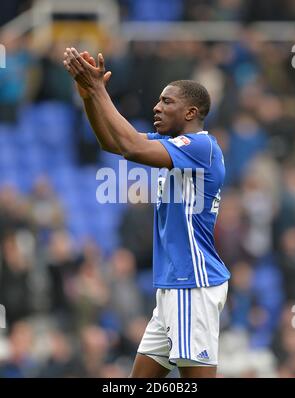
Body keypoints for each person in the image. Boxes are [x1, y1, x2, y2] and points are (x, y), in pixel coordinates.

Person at [63, 47, 230, 378]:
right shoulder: (176, 147)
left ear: (191, 112)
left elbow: (131, 146)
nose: (156, 106)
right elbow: (112, 143)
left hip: (191, 283)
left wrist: (99, 91)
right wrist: (88, 98)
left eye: (167, 101)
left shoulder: (201, 146)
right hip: (172, 286)